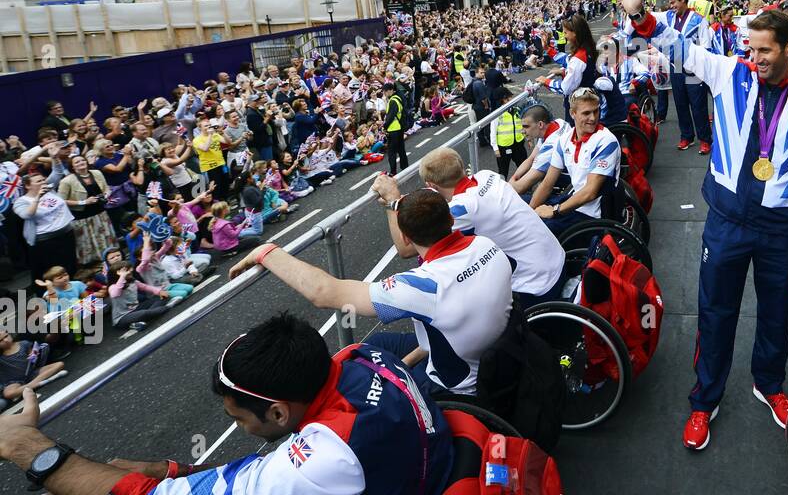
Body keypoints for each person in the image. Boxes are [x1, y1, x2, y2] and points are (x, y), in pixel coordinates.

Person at [618, 0, 788, 450]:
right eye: (751, 49)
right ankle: (705, 400)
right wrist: (640, 16)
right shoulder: (729, 73)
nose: (755, 58)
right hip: (726, 223)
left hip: (781, 229)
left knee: (777, 313)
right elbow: (680, 47)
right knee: (715, 312)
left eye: (765, 50)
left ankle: (769, 385)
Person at [0, 313, 454, 495]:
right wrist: (170, 467)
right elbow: (267, 470)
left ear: (277, 413)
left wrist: (29, 447)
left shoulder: (327, 457)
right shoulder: (361, 356)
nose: (233, 425)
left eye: (237, 417)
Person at [231, 190, 512, 398]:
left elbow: (323, 292)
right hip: (494, 357)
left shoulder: (424, 286)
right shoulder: (485, 244)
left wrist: (266, 251)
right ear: (451, 219)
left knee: (361, 378)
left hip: (456, 387)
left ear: (404, 237)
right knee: (376, 342)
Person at [377, 148, 566, 307]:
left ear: (431, 185)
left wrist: (392, 202)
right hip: (558, 261)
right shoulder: (486, 176)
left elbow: (406, 248)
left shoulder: (464, 209)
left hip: (536, 287)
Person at [531, 88, 621, 236]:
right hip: (575, 203)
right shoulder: (564, 140)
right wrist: (529, 213)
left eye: (596, 111)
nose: (593, 118)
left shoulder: (606, 141)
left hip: (593, 215)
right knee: (528, 211)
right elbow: (547, 183)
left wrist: (555, 211)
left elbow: (590, 193)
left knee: (537, 233)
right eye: (586, 113)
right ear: (573, 113)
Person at [660, 0, 713, 154]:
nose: (671, 6)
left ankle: (705, 139)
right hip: (675, 66)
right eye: (670, 3)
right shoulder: (668, 17)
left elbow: (706, 45)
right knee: (680, 104)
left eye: (673, 2)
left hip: (693, 68)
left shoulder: (699, 20)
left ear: (683, 0)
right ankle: (687, 136)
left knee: (698, 105)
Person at [489, 87, 528, 176]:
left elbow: (521, 125)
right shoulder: (497, 114)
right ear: (504, 99)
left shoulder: (517, 110)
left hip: (518, 144)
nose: (512, 99)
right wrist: (495, 148)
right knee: (503, 171)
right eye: (510, 97)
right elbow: (493, 132)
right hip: (504, 146)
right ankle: (502, 188)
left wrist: (527, 138)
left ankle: (527, 188)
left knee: (524, 167)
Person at [383, 81, 409, 174]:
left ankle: (393, 171)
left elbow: (390, 117)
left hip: (393, 129)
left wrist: (384, 126)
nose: (385, 93)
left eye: (385, 91)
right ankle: (405, 166)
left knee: (392, 152)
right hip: (400, 127)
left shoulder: (392, 100)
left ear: (390, 90)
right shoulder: (398, 98)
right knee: (401, 149)